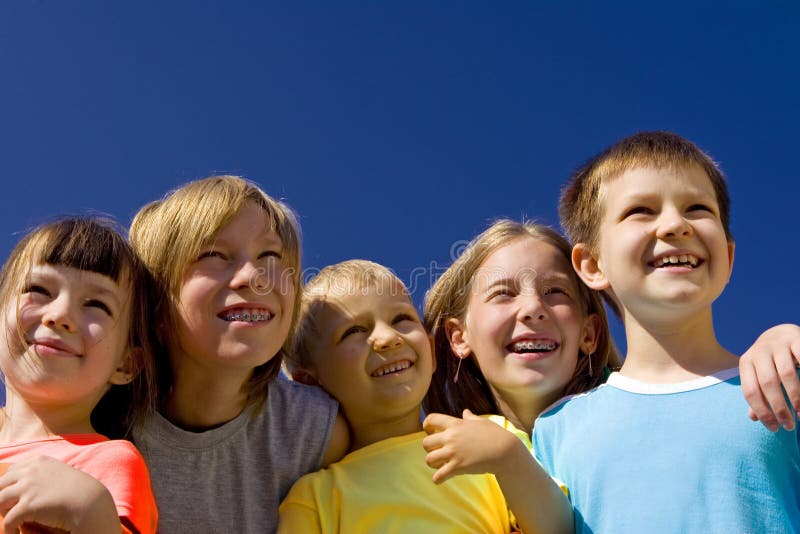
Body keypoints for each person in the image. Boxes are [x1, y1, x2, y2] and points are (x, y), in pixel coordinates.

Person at [532, 130, 800, 532]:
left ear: (727, 258)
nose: (676, 224)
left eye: (697, 208)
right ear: (591, 264)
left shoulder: (785, 384)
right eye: (641, 210)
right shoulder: (557, 429)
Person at [278, 260, 571, 533]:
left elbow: (559, 527)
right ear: (309, 383)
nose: (388, 337)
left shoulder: (490, 437)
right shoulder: (313, 497)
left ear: (431, 352)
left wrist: (508, 458)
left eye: (402, 318)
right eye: (354, 330)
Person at [128, 176, 349, 533]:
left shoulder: (317, 433)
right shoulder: (107, 422)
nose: (254, 277)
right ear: (155, 300)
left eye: (271, 256)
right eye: (214, 255)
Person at [0, 217, 157, 533]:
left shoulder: (110, 462)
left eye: (97, 304)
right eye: (39, 289)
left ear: (126, 364)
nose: (60, 315)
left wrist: (93, 515)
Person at [422, 220, 618, 436]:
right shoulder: (432, 466)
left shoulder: (635, 429)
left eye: (555, 291)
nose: (533, 307)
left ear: (589, 334)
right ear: (459, 338)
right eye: (503, 294)